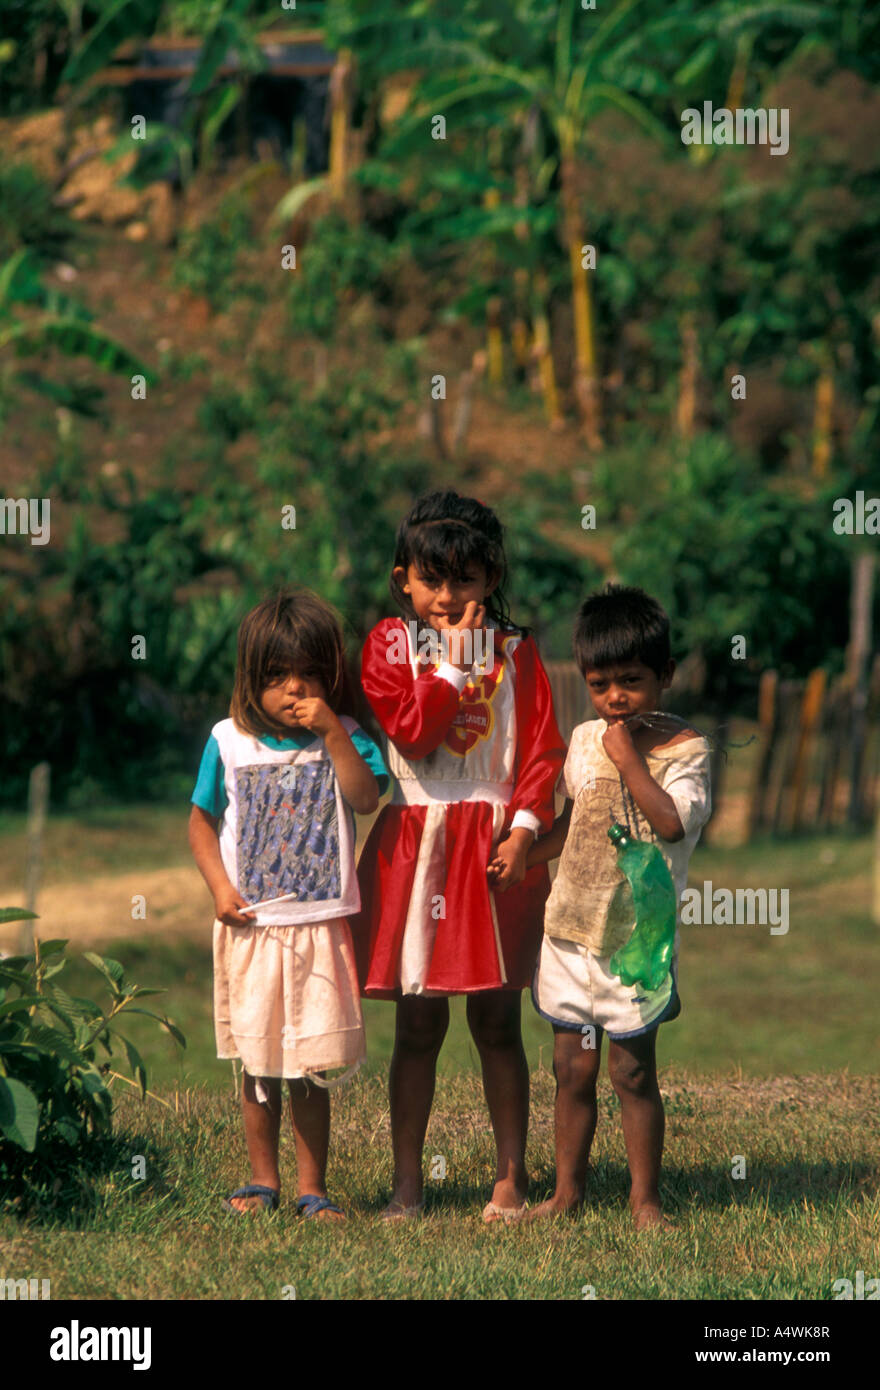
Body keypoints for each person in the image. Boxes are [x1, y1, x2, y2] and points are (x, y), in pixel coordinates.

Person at [351, 489, 565, 1221]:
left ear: (492, 578)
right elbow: (411, 733)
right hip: (416, 845)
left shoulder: (518, 652)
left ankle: (511, 1178)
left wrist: (525, 829)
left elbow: (542, 748)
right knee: (417, 1025)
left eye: (465, 579)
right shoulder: (389, 647)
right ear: (403, 579)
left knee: (498, 1021)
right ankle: (407, 1185)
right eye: (431, 579)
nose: (447, 596)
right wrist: (450, 666)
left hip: (494, 848)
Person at [188, 589, 388, 1220]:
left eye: (308, 675)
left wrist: (333, 731)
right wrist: (221, 889)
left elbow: (364, 799)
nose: (294, 689)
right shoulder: (228, 741)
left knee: (311, 1066)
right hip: (252, 929)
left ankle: (312, 1188)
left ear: (332, 677)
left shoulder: (347, 736)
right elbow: (199, 821)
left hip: (319, 929)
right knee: (257, 1061)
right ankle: (260, 1181)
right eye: (277, 676)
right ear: (251, 679)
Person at [526, 583, 712, 1229]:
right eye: (600, 684)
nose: (614, 698)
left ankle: (645, 1201)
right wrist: (525, 856)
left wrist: (630, 759)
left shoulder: (686, 752)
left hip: (638, 945)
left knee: (632, 1075)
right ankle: (565, 1195)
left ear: (664, 675)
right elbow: (574, 822)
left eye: (630, 681)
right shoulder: (584, 740)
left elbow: (669, 825)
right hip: (571, 933)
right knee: (570, 1070)